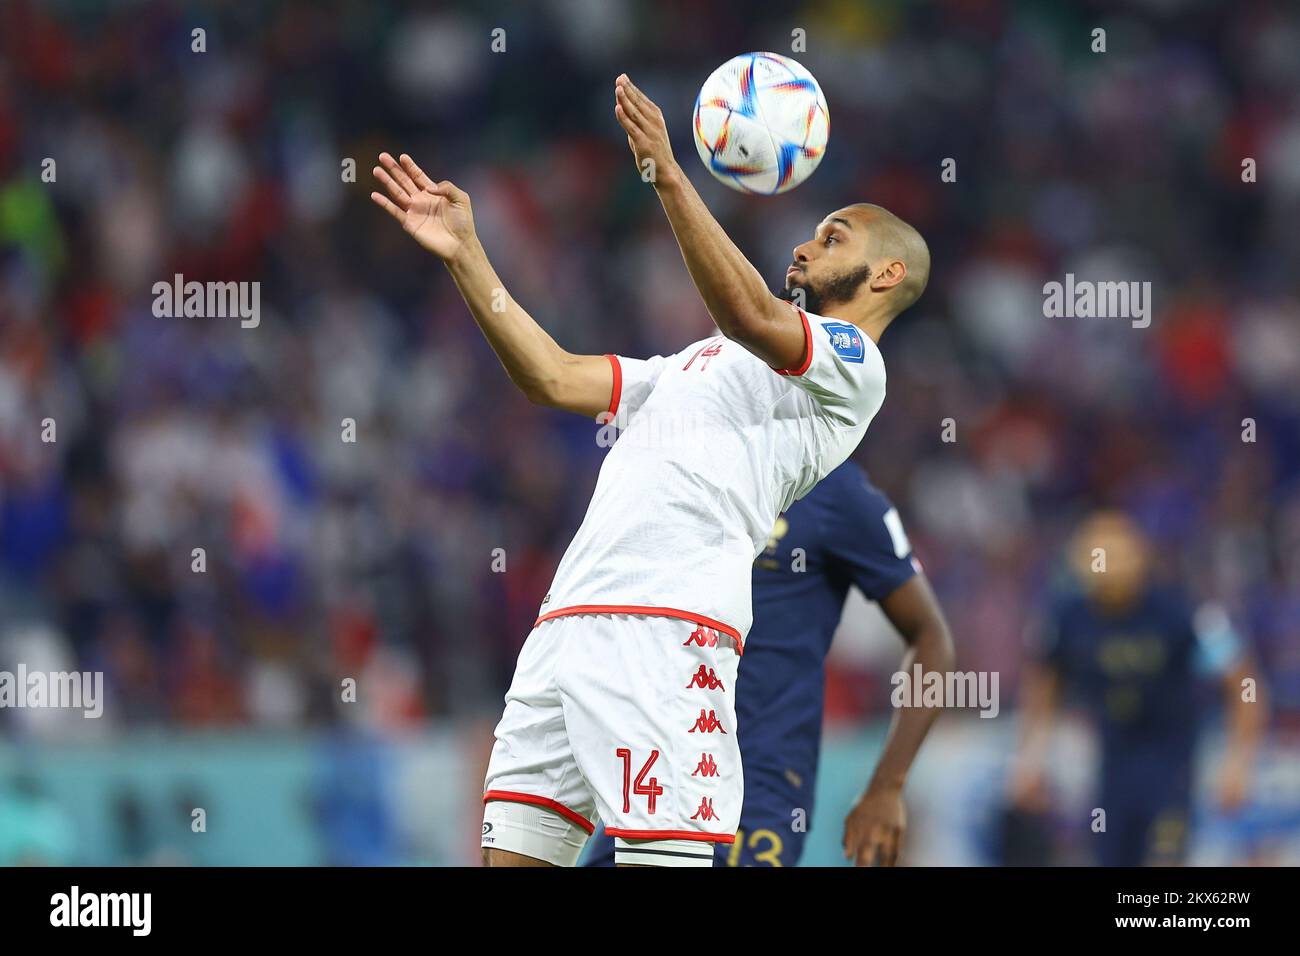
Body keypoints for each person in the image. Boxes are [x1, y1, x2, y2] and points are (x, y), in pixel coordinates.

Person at [370, 74, 931, 867]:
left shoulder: (854, 367)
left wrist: (667, 174)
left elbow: (751, 313)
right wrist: (468, 256)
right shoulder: (700, 360)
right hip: (568, 627)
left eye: (834, 237)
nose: (804, 245)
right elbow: (554, 378)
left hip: (668, 631)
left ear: (885, 277)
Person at [582, 461, 954, 866]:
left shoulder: (835, 492)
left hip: (756, 788)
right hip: (652, 772)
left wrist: (887, 786)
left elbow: (931, 637)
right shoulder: (689, 467)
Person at [1008, 510, 1266, 866]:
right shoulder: (1068, 618)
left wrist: (1239, 759)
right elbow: (1044, 683)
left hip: (1170, 766)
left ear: (1139, 556)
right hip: (1110, 766)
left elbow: (1243, 679)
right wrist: (1031, 757)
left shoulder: (1179, 612)